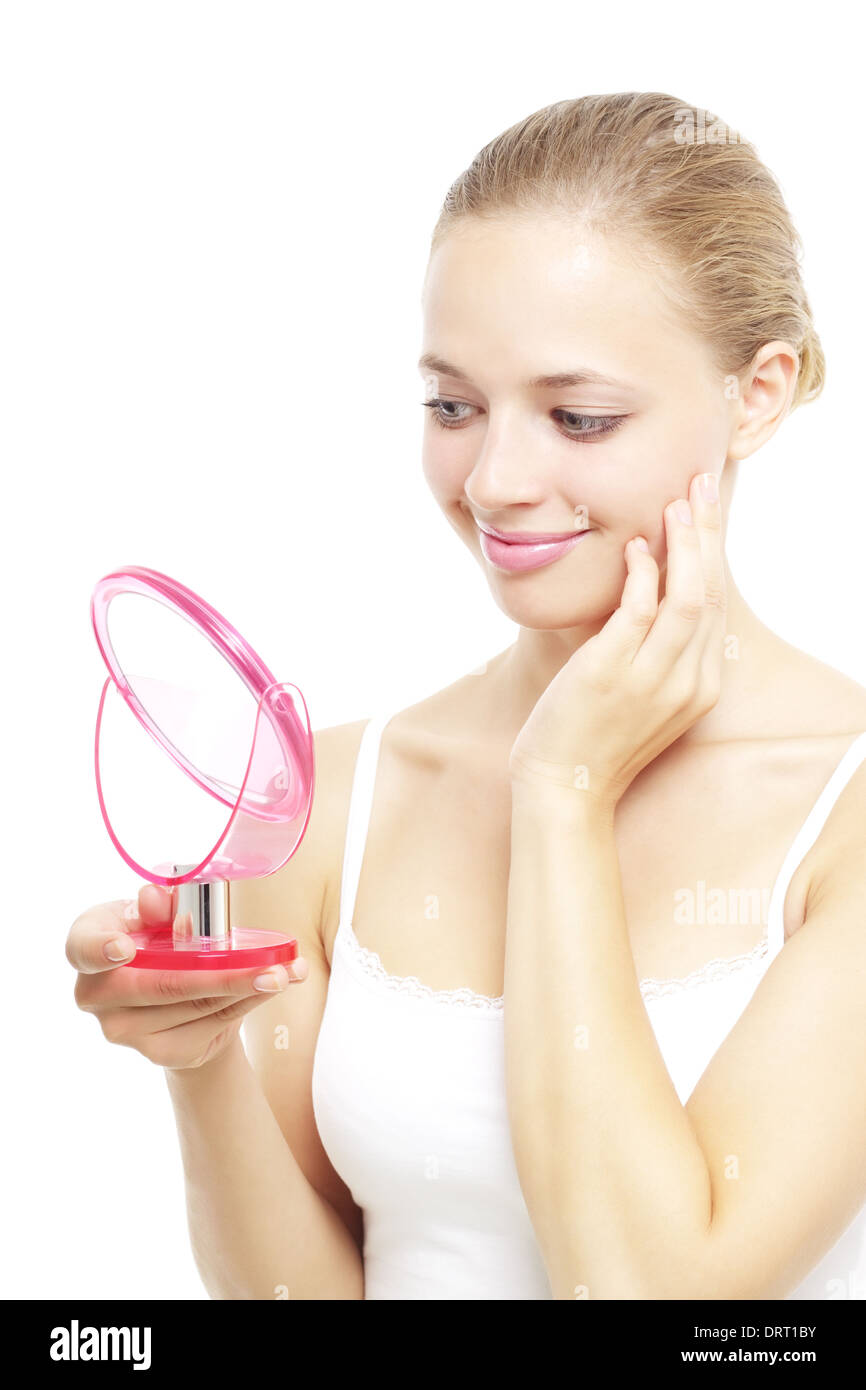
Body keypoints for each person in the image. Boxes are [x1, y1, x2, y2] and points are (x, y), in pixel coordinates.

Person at [68, 92, 866, 1301]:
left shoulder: (843, 818)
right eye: (451, 405)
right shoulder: (328, 800)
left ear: (755, 393)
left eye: (577, 415)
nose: (493, 480)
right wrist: (201, 1057)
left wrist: (563, 789)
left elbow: (656, 1298)